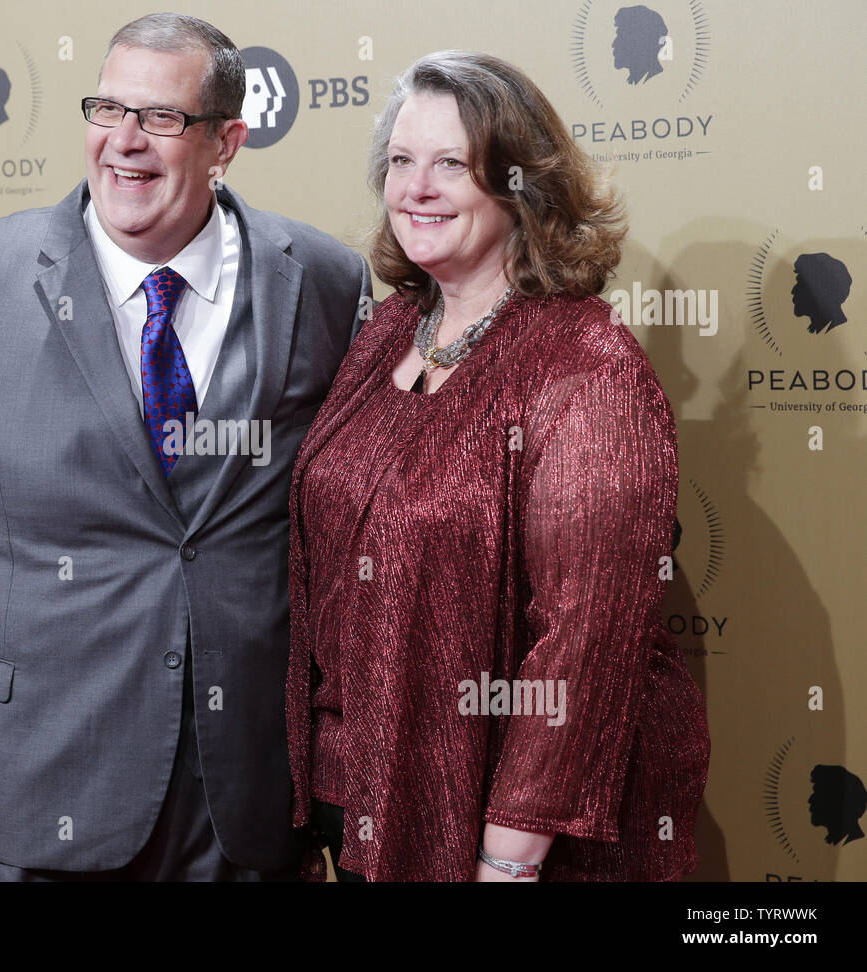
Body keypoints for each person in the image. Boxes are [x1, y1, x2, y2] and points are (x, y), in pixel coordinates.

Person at [0, 12, 370, 881]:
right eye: (106, 109)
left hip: (241, 801)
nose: (125, 142)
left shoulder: (322, 281)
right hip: (23, 784)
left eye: (162, 118)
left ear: (226, 141)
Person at [285, 50, 710, 881]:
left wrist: (509, 858)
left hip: (510, 837)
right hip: (367, 798)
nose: (417, 188)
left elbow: (586, 639)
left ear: (522, 185)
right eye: (401, 163)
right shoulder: (386, 334)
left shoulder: (586, 362)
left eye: (452, 164)